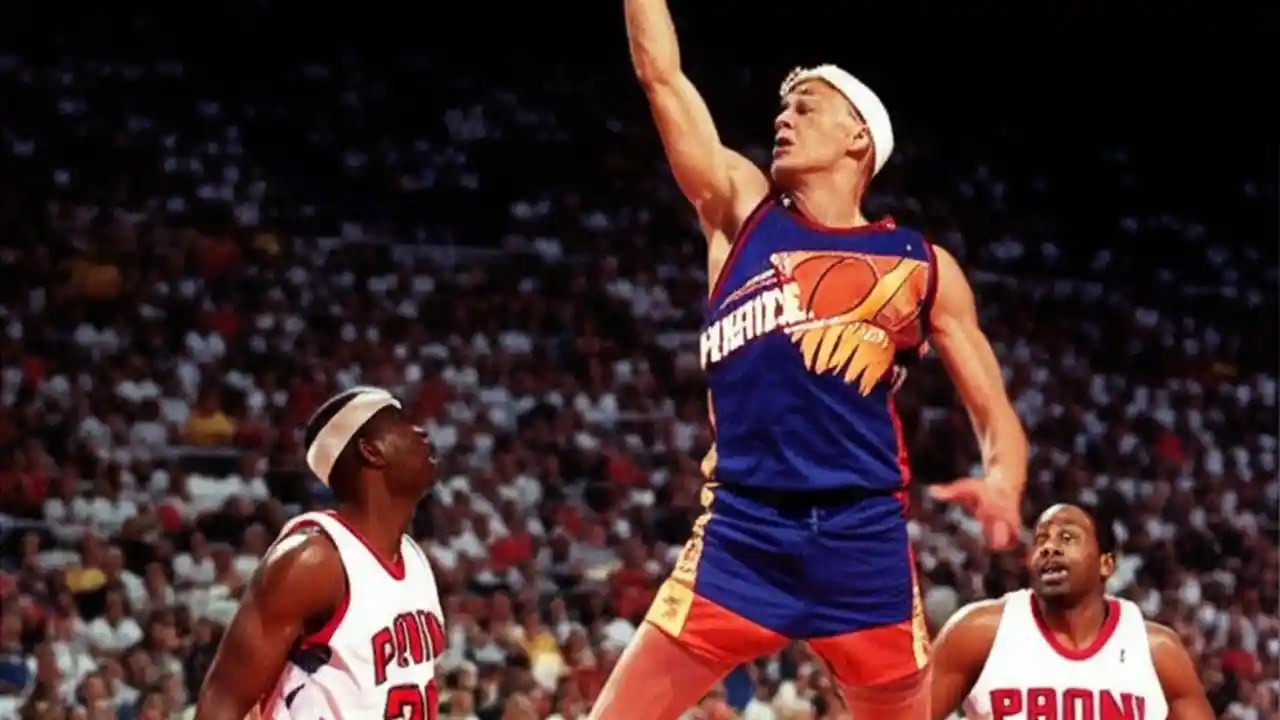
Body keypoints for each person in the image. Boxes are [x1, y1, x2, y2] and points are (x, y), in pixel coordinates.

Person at [590, 2, 1028, 718]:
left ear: (858, 135)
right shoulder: (740, 212)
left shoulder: (921, 264)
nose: (781, 120)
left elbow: (995, 413)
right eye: (781, 110)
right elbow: (660, 75)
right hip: (742, 529)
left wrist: (1004, 482)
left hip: (863, 541)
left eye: (805, 106)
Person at [195, 387, 445, 720]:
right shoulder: (314, 559)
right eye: (402, 423)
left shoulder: (414, 558)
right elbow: (221, 704)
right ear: (371, 450)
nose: (421, 431)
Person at [930, 504, 1214, 720]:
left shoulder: (1158, 651)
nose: (1049, 548)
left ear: (1106, 564)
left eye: (1067, 538)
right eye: (1041, 540)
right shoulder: (978, 631)